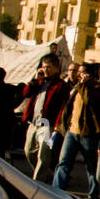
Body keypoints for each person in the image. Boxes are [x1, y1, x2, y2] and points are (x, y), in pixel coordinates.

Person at [54, 61, 100, 199]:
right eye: (79, 72)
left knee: (90, 165)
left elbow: (89, 101)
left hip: (87, 132)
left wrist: (85, 83)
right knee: (63, 162)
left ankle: (93, 194)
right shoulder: (77, 87)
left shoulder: (96, 87)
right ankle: (56, 190)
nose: (79, 74)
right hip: (72, 131)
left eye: (82, 72)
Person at [19, 53, 71, 183]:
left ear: (55, 68)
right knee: (28, 151)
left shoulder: (61, 86)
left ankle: (37, 181)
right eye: (43, 67)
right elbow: (25, 93)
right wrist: (35, 80)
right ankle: (46, 173)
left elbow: (62, 107)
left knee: (43, 155)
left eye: (48, 67)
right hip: (33, 122)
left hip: (47, 124)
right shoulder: (39, 82)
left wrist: (56, 126)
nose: (45, 70)